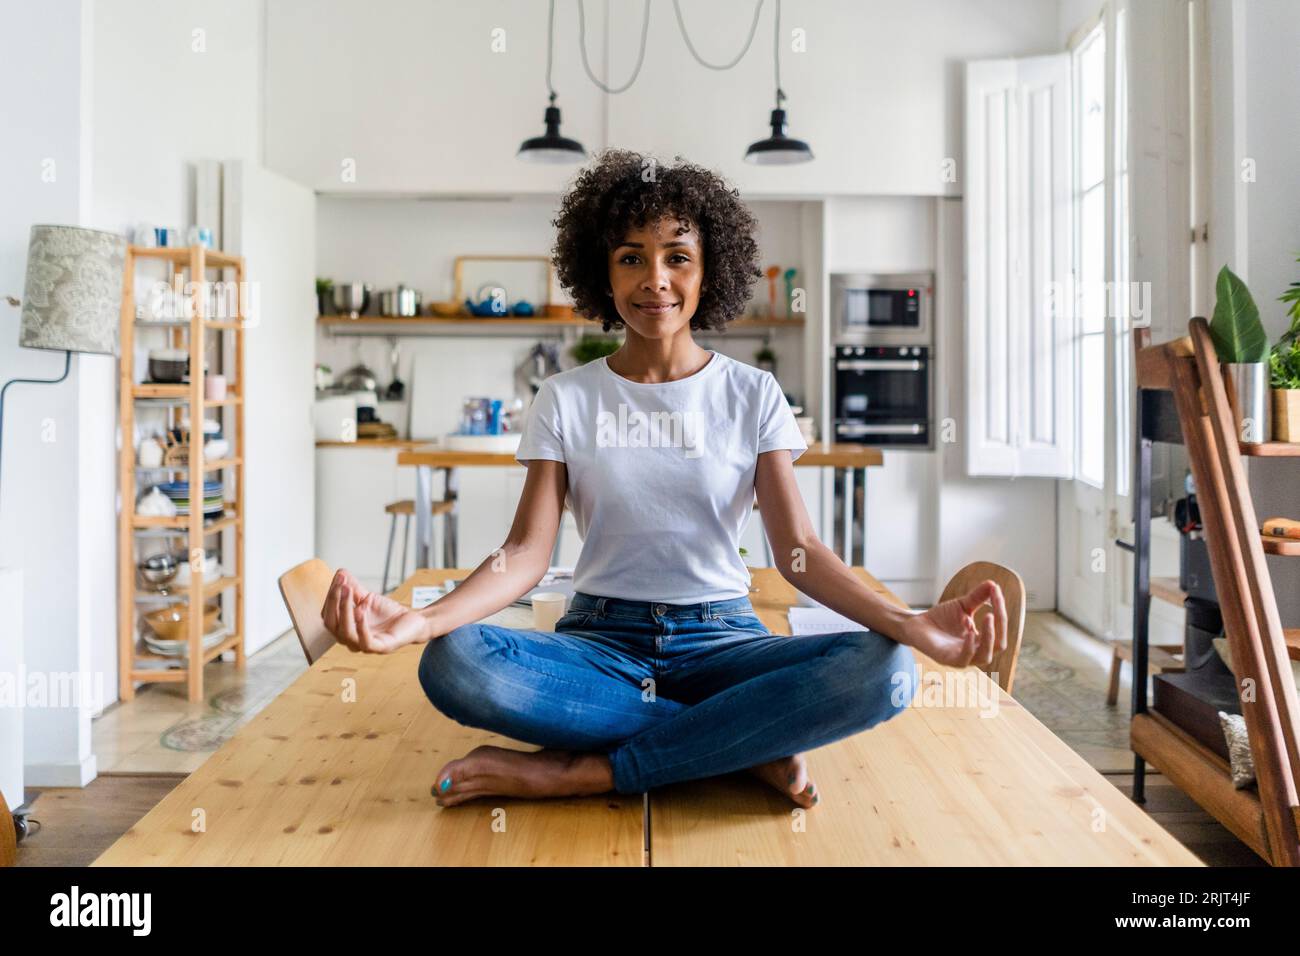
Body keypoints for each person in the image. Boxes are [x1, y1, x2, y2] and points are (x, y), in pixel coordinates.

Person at [320, 148, 1007, 810]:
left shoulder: (752, 394)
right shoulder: (565, 398)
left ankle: (588, 774)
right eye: (631, 259)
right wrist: (422, 620)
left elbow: (796, 553)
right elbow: (526, 554)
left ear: (708, 272)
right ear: (603, 273)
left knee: (887, 672)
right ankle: (736, 741)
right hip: (600, 642)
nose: (655, 279)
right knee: (453, 664)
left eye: (677, 257)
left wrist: (910, 625)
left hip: (725, 641)